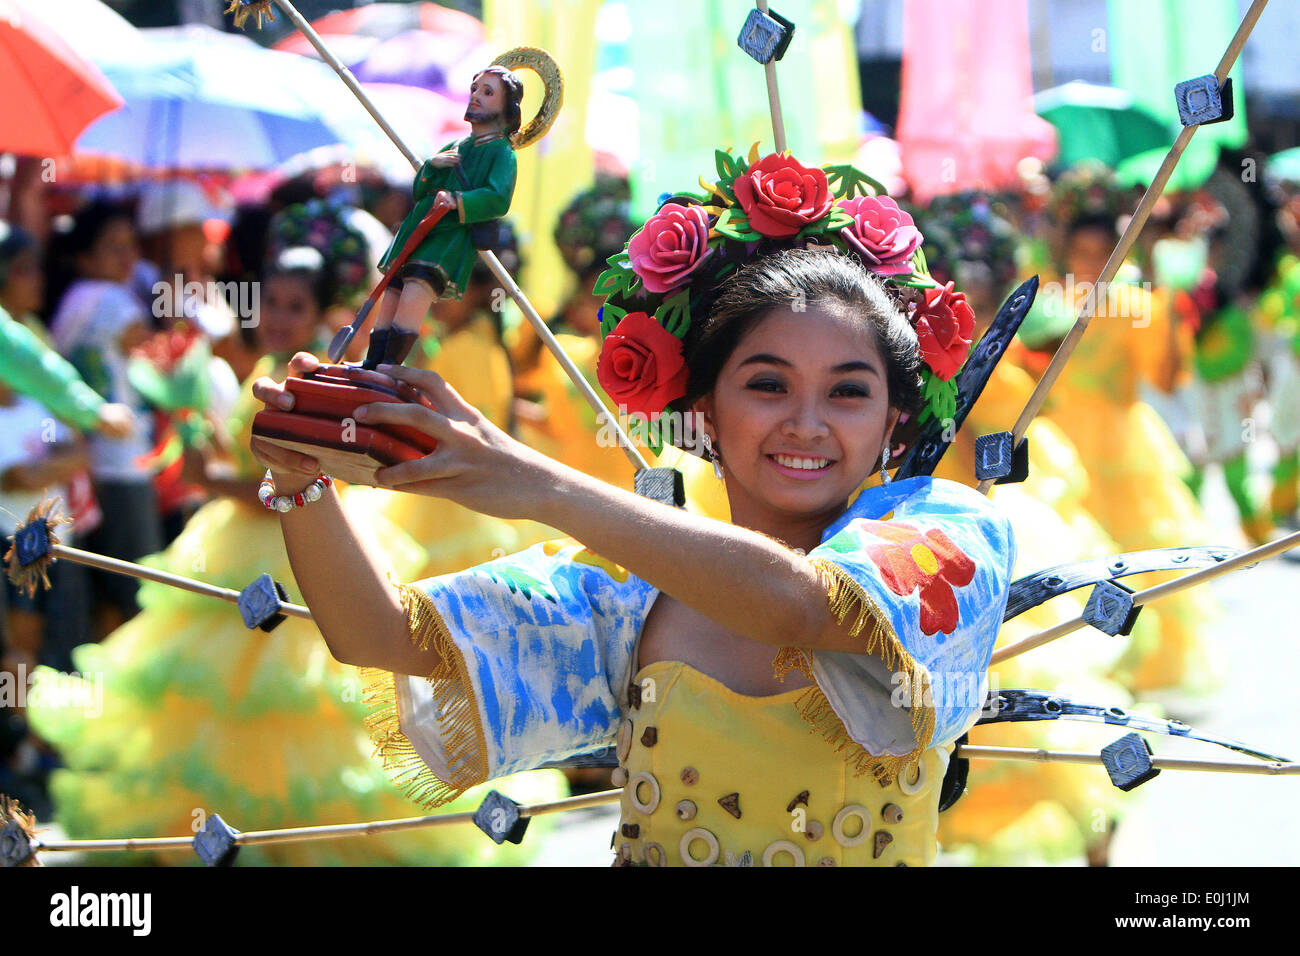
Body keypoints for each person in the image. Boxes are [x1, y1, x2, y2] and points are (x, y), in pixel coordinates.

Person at [254, 172, 1017, 868]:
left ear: (895, 420)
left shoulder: (946, 534)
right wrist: (301, 485)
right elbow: (378, 635)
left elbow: (798, 605)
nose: (807, 424)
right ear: (704, 412)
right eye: (767, 385)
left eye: (848, 392)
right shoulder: (629, 587)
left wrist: (534, 483)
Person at [27, 213, 565, 865]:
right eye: (271, 302)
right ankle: (227, 829)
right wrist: (204, 455)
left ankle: (285, 835)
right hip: (238, 545)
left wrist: (209, 477)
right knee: (225, 702)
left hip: (289, 545)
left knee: (298, 697)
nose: (277, 317)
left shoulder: (306, 380)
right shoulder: (263, 366)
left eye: (293, 306)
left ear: (320, 314)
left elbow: (280, 485)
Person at [47, 202, 162, 639]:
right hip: (125, 460)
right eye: (113, 247)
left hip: (85, 461)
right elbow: (159, 356)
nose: (127, 255)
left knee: (105, 588)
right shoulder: (114, 299)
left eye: (130, 244)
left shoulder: (72, 300)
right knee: (141, 590)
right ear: (85, 257)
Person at [360, 66, 524, 369]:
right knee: (392, 295)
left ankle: (389, 367)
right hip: (420, 229)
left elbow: (498, 198)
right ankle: (373, 361)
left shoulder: (502, 153)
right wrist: (432, 166)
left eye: (488, 92)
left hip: (448, 237)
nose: (476, 97)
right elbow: (421, 190)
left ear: (506, 107)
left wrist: (457, 200)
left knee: (414, 294)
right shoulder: (455, 146)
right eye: (475, 89)